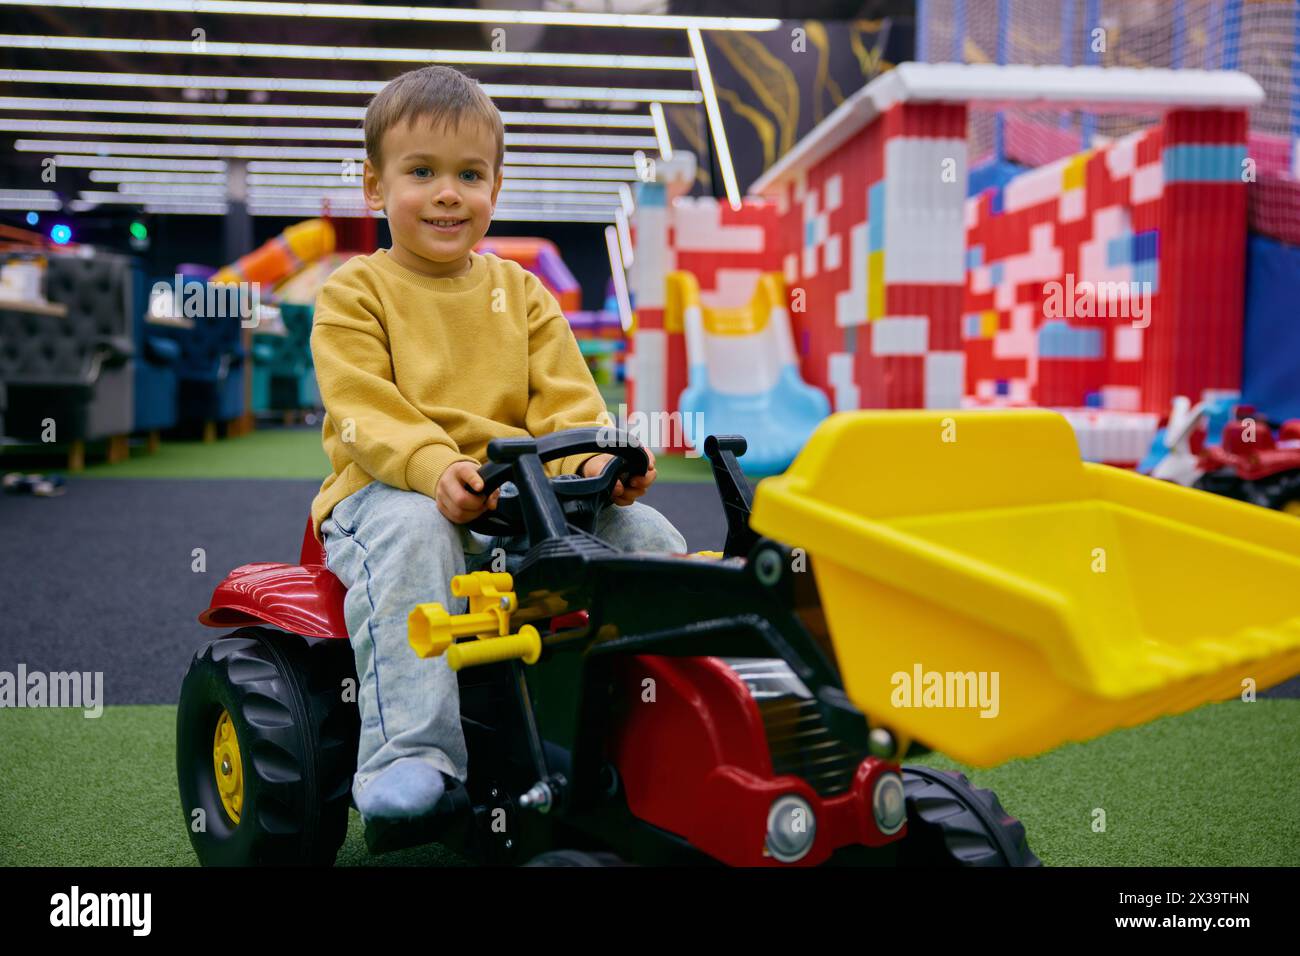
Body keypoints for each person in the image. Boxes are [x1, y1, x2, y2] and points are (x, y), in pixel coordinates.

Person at [309, 64, 688, 827]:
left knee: (648, 538)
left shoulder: (523, 295)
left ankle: (667, 721)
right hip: (389, 494)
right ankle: (410, 753)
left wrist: (595, 467)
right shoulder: (355, 292)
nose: (448, 192)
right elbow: (363, 413)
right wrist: (437, 466)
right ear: (375, 187)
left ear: (495, 186)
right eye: (422, 172)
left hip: (520, 499)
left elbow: (568, 405)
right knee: (418, 533)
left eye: (469, 174)